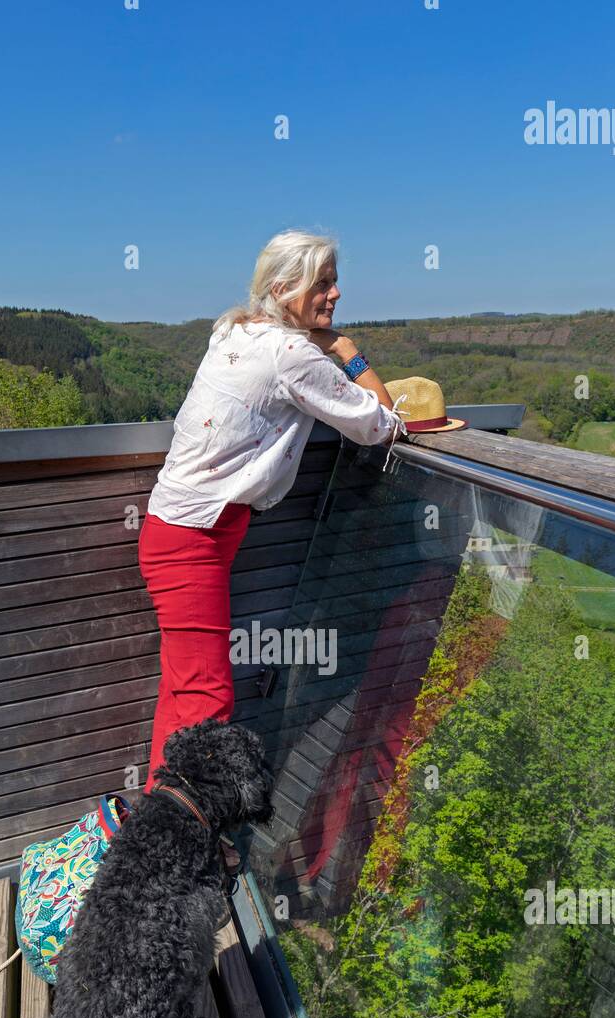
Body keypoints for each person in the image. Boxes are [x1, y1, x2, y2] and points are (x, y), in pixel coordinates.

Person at [137, 228, 410, 865]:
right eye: (323, 283)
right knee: (209, 699)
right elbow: (380, 420)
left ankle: (159, 825)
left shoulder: (233, 331)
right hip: (193, 539)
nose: (336, 292)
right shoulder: (293, 356)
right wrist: (345, 350)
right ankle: (187, 849)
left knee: (183, 690)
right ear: (283, 290)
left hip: (181, 529)